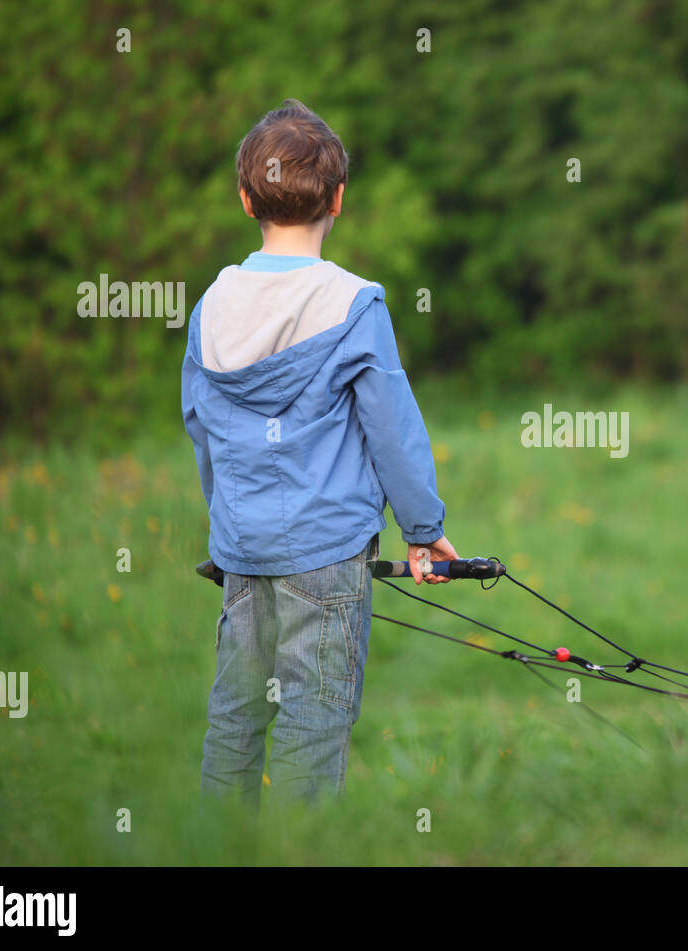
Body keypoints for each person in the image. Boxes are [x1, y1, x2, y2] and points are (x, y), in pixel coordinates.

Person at [181, 99, 456, 807]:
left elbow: (202, 427)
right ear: (339, 199)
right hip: (327, 552)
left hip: (241, 549)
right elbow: (392, 429)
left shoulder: (213, 304)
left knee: (235, 717)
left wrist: (224, 527)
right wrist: (423, 532)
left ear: (246, 199)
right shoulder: (354, 304)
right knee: (313, 719)